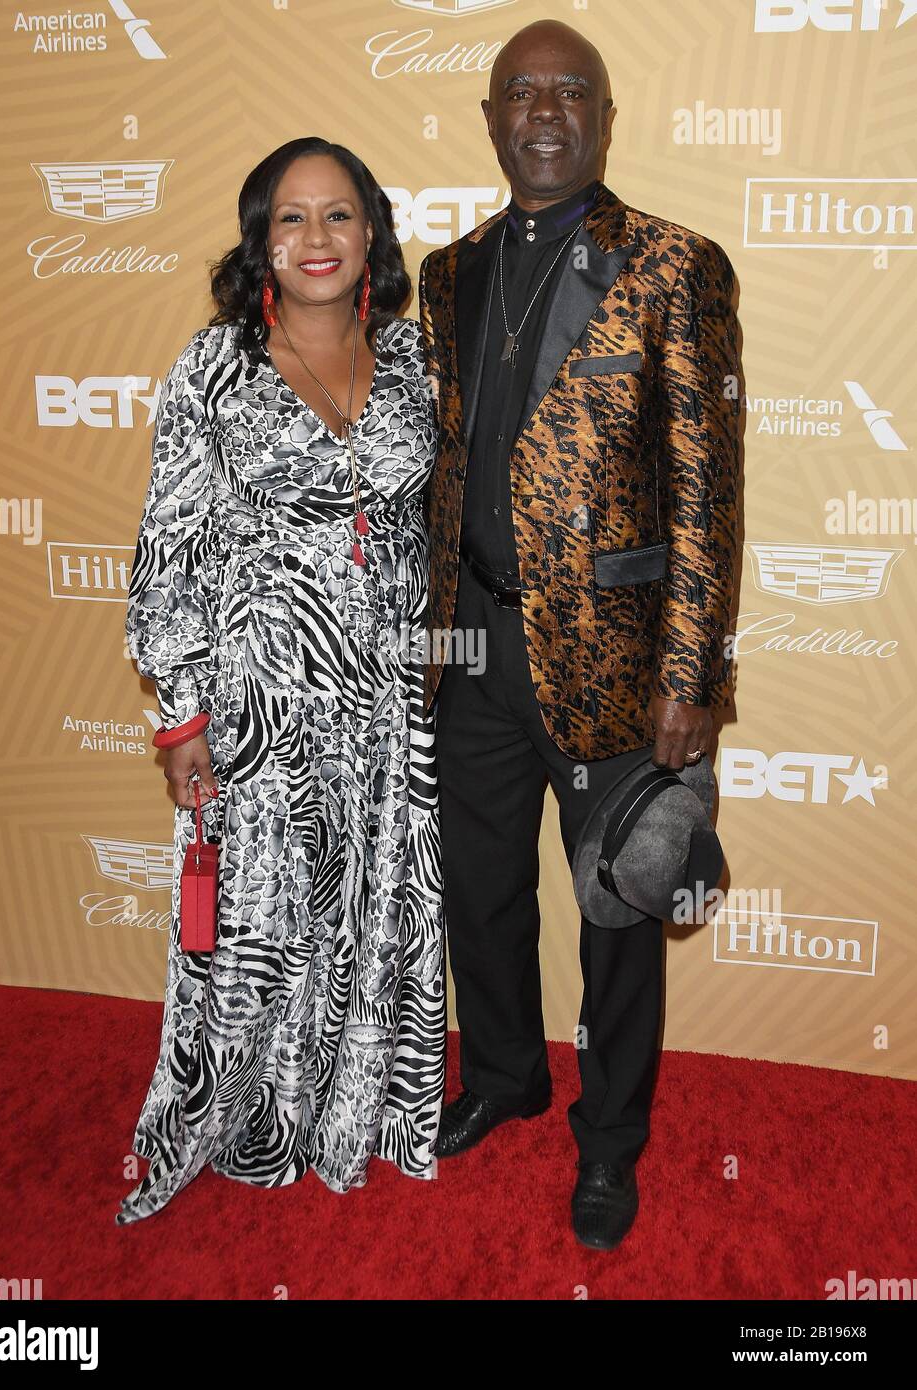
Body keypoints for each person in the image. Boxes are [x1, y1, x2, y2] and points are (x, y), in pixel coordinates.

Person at [418, 19, 742, 1249]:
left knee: (618, 915)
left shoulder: (673, 265)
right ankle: (503, 1074)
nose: (544, 110)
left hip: (615, 666)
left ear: (605, 120)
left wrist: (690, 676)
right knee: (481, 894)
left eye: (571, 92)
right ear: (491, 118)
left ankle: (609, 1142)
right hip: (471, 651)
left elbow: (711, 490)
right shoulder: (444, 277)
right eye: (520, 92)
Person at [116, 138, 445, 1225]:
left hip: (387, 698)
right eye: (290, 218)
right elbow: (167, 548)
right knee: (256, 915)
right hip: (258, 694)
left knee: (365, 900)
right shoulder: (213, 366)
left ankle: (351, 1106)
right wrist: (182, 712)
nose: (316, 239)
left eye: (338, 215)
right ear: (261, 238)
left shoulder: (409, 363)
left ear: (371, 236)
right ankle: (247, 1118)